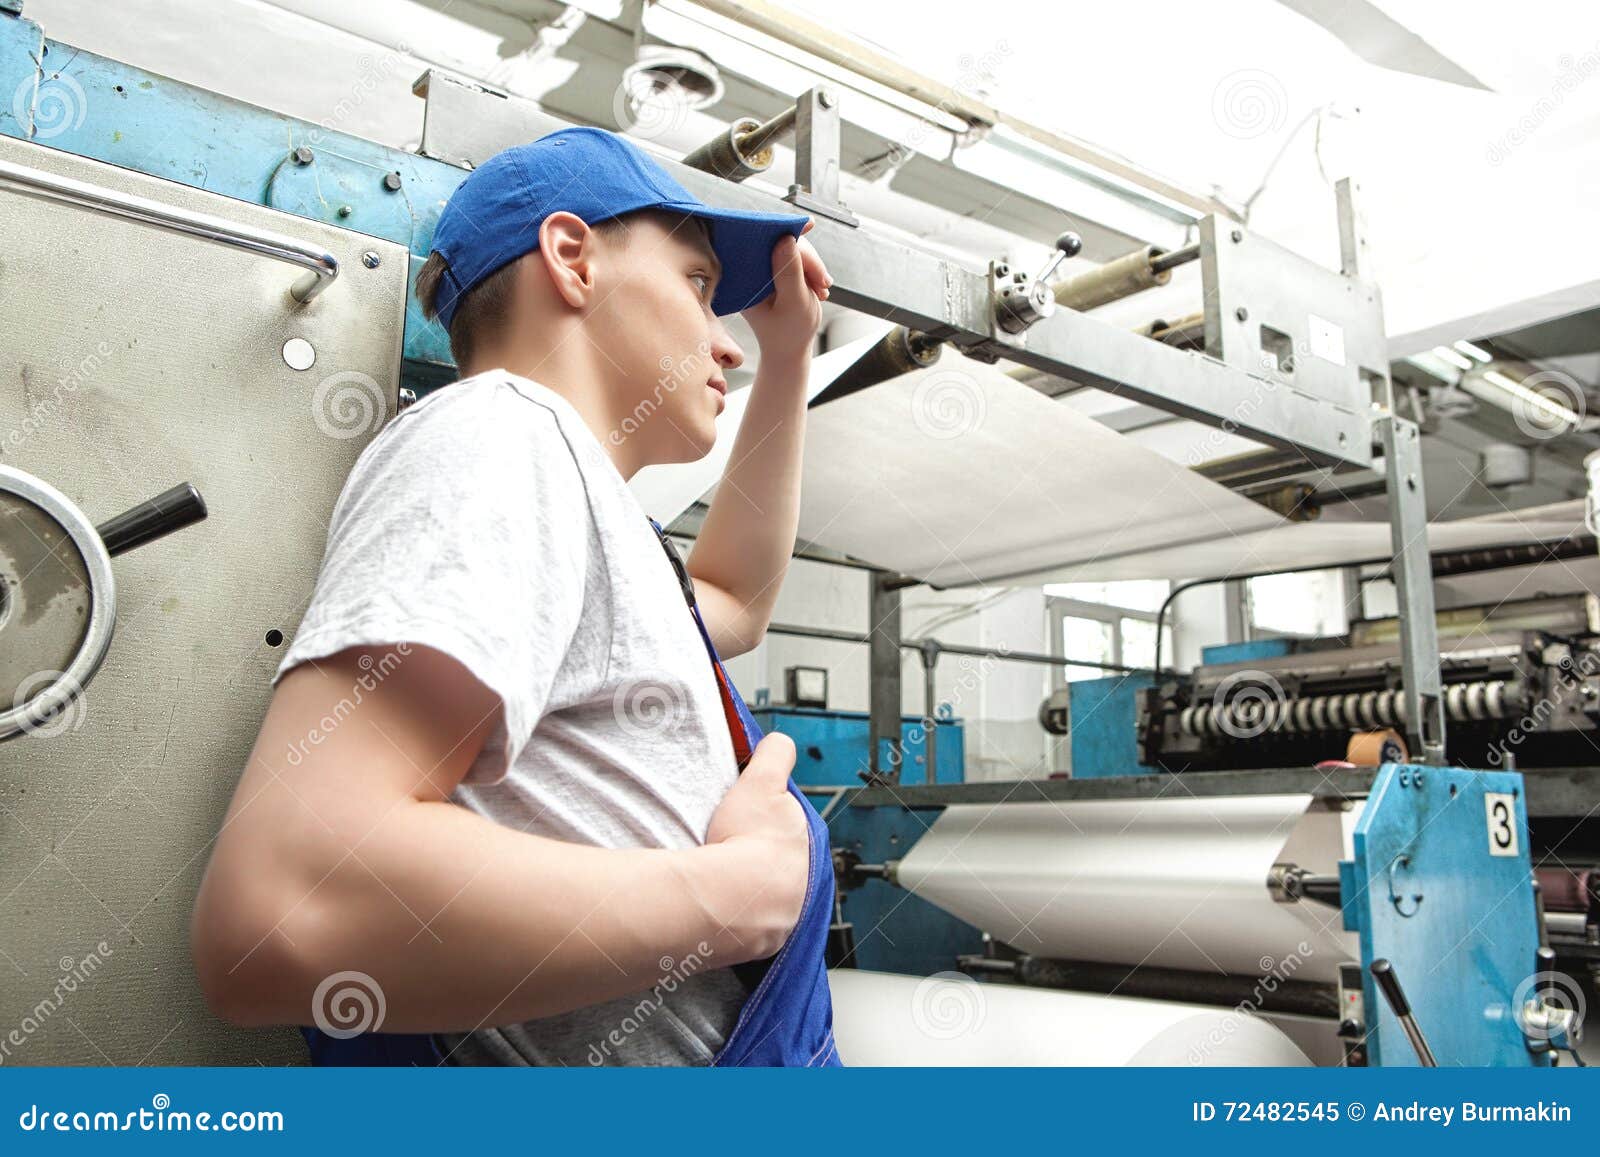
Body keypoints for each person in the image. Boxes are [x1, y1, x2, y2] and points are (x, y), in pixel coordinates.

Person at [190, 125, 834, 1066]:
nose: (724, 345)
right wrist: (745, 894)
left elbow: (733, 598)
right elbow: (284, 905)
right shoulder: (503, 433)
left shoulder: (590, 507)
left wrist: (790, 361)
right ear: (571, 258)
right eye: (699, 287)